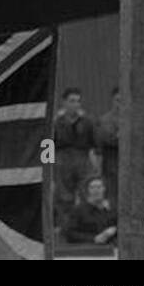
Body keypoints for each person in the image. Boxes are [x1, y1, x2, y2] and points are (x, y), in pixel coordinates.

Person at [53, 88, 98, 230]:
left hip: (82, 159)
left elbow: (94, 144)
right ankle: (65, 227)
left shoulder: (88, 121)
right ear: (64, 102)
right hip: (62, 160)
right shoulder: (54, 122)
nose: (75, 104)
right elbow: (47, 144)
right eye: (72, 101)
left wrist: (96, 164)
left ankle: (87, 226)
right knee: (63, 197)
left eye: (78, 101)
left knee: (86, 193)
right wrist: (48, 166)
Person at [65, 176, 117, 246]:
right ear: (88, 190)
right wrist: (94, 238)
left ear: (104, 189)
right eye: (92, 187)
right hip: (88, 251)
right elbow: (70, 233)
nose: (96, 190)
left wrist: (113, 230)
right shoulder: (79, 210)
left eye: (99, 187)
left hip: (112, 250)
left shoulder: (112, 209)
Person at [93, 87, 121, 203]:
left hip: (132, 163)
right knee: (112, 195)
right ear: (112, 101)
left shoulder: (134, 119)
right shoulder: (105, 120)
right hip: (111, 163)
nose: (121, 104)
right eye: (118, 100)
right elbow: (107, 139)